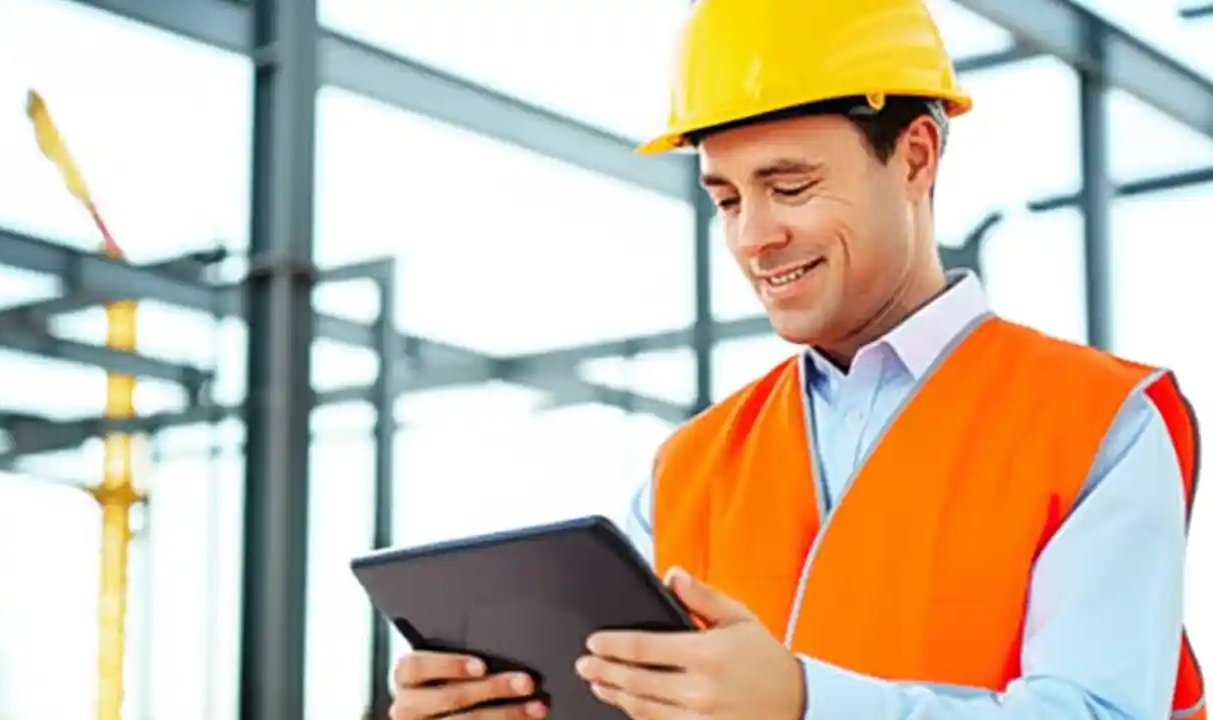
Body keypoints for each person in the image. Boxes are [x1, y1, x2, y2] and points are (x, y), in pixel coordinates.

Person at [387, 1, 1206, 718]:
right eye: (728, 198)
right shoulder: (687, 470)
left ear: (916, 156)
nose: (752, 238)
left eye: (791, 186)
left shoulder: (1101, 422)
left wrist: (807, 707)